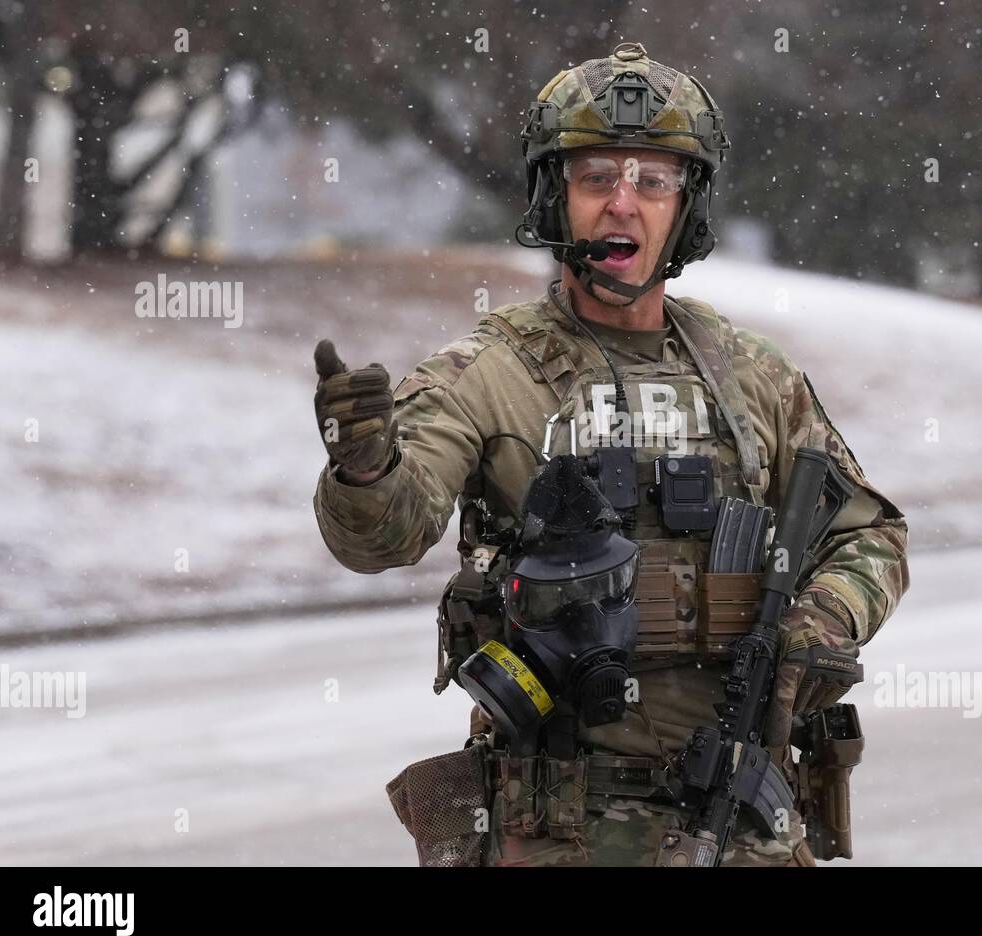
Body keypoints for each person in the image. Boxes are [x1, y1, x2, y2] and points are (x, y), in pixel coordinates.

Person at [312, 41, 909, 867]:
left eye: (652, 180)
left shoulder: (753, 377)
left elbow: (870, 534)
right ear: (557, 199)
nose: (622, 204)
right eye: (596, 179)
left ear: (685, 206)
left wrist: (821, 619)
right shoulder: (489, 372)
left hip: (743, 820)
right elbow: (382, 539)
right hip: (555, 830)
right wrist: (366, 467)